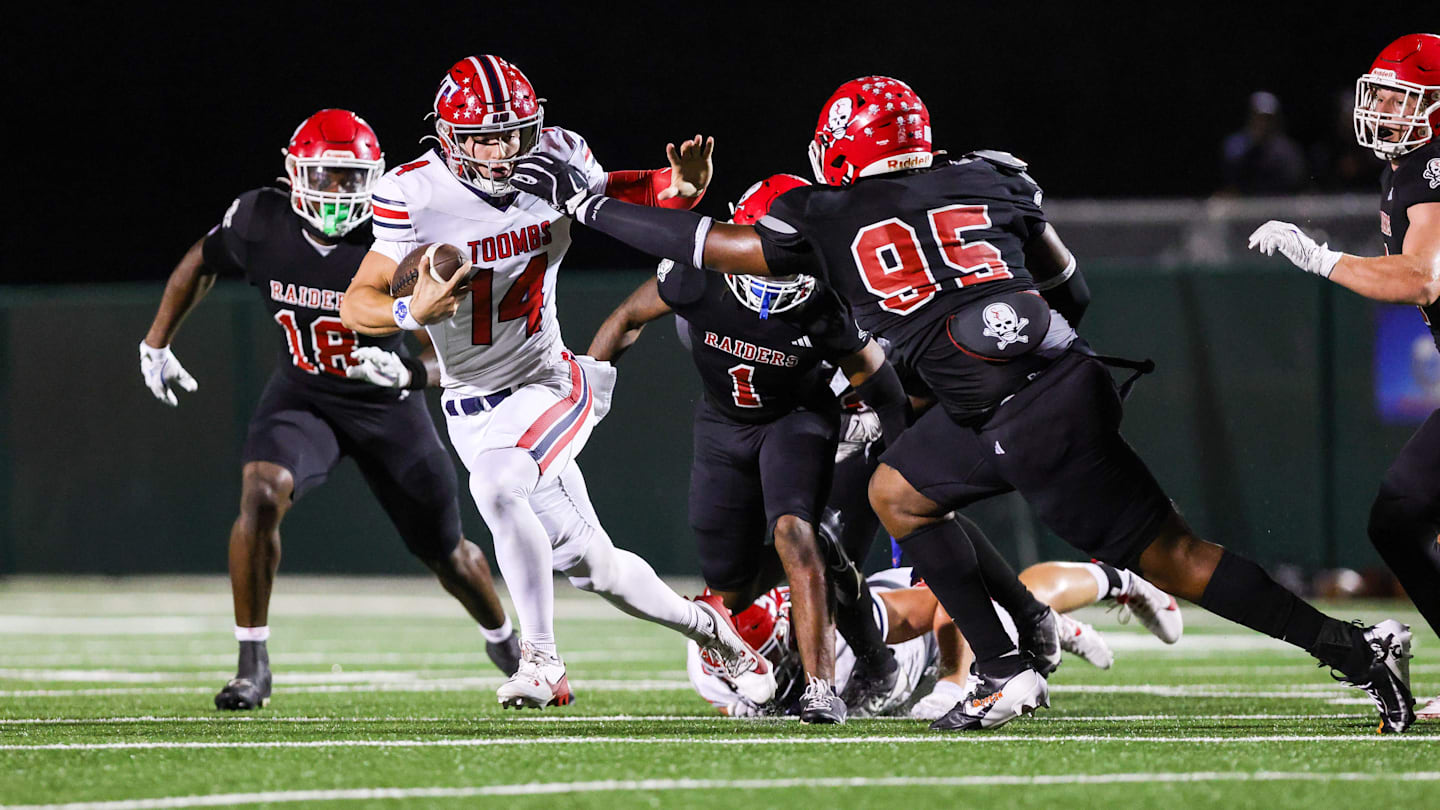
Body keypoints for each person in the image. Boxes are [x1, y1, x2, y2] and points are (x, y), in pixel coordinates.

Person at [510, 75, 1417, 733]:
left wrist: (588, 204)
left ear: (845, 153)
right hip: (1052, 379)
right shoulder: (989, 178)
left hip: (1019, 410)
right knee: (898, 490)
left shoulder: (827, 217)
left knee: (1174, 557)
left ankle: (1350, 651)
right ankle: (1008, 663)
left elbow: (699, 241)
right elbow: (1071, 290)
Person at [338, 55, 774, 710]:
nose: (501, 147)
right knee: (592, 566)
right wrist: (409, 311)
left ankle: (540, 660)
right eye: (483, 135)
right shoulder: (413, 194)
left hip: (547, 381)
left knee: (495, 483)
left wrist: (677, 187)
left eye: (512, 131)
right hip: (468, 404)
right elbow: (356, 303)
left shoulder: (558, 156)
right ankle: (712, 628)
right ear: (448, 135)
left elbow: (623, 194)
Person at [139, 109, 518, 711]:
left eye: (351, 177)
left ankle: (506, 643)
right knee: (261, 494)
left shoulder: (398, 240)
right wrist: (157, 339)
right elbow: (201, 261)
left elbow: (471, 345)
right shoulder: (259, 220)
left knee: (448, 552)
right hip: (305, 392)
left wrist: (411, 372)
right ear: (294, 173)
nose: (339, 192)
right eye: (328, 175)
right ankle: (251, 665)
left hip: (387, 403)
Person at [586, 174, 909, 723]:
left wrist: (909, 460)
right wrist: (586, 397)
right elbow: (626, 318)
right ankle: (829, 569)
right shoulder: (696, 279)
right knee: (729, 581)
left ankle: (821, 689)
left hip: (795, 420)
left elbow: (885, 391)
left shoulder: (824, 308)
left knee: (793, 531)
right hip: (722, 426)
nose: (770, 273)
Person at [1249, 32, 1440, 724]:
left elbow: (1421, 276)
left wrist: (1318, 256)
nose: (1386, 108)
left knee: (1404, 515)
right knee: (1400, 518)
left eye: (1402, 97)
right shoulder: (1412, 163)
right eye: (1383, 94)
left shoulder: (1435, 163)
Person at [685, 560, 1181, 719]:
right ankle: (1046, 624)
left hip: (930, 640)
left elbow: (948, 600)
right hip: (894, 689)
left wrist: (954, 679)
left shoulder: (837, 624)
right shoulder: (706, 666)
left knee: (1021, 600)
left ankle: (1120, 581)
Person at [1219, 91, 1309, 195]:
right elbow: (1231, 180)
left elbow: (1296, 182)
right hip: (1243, 206)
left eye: (1268, 118)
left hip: (1278, 206)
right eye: (1259, 117)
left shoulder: (1288, 151)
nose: (1263, 123)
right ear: (1250, 117)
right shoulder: (1235, 146)